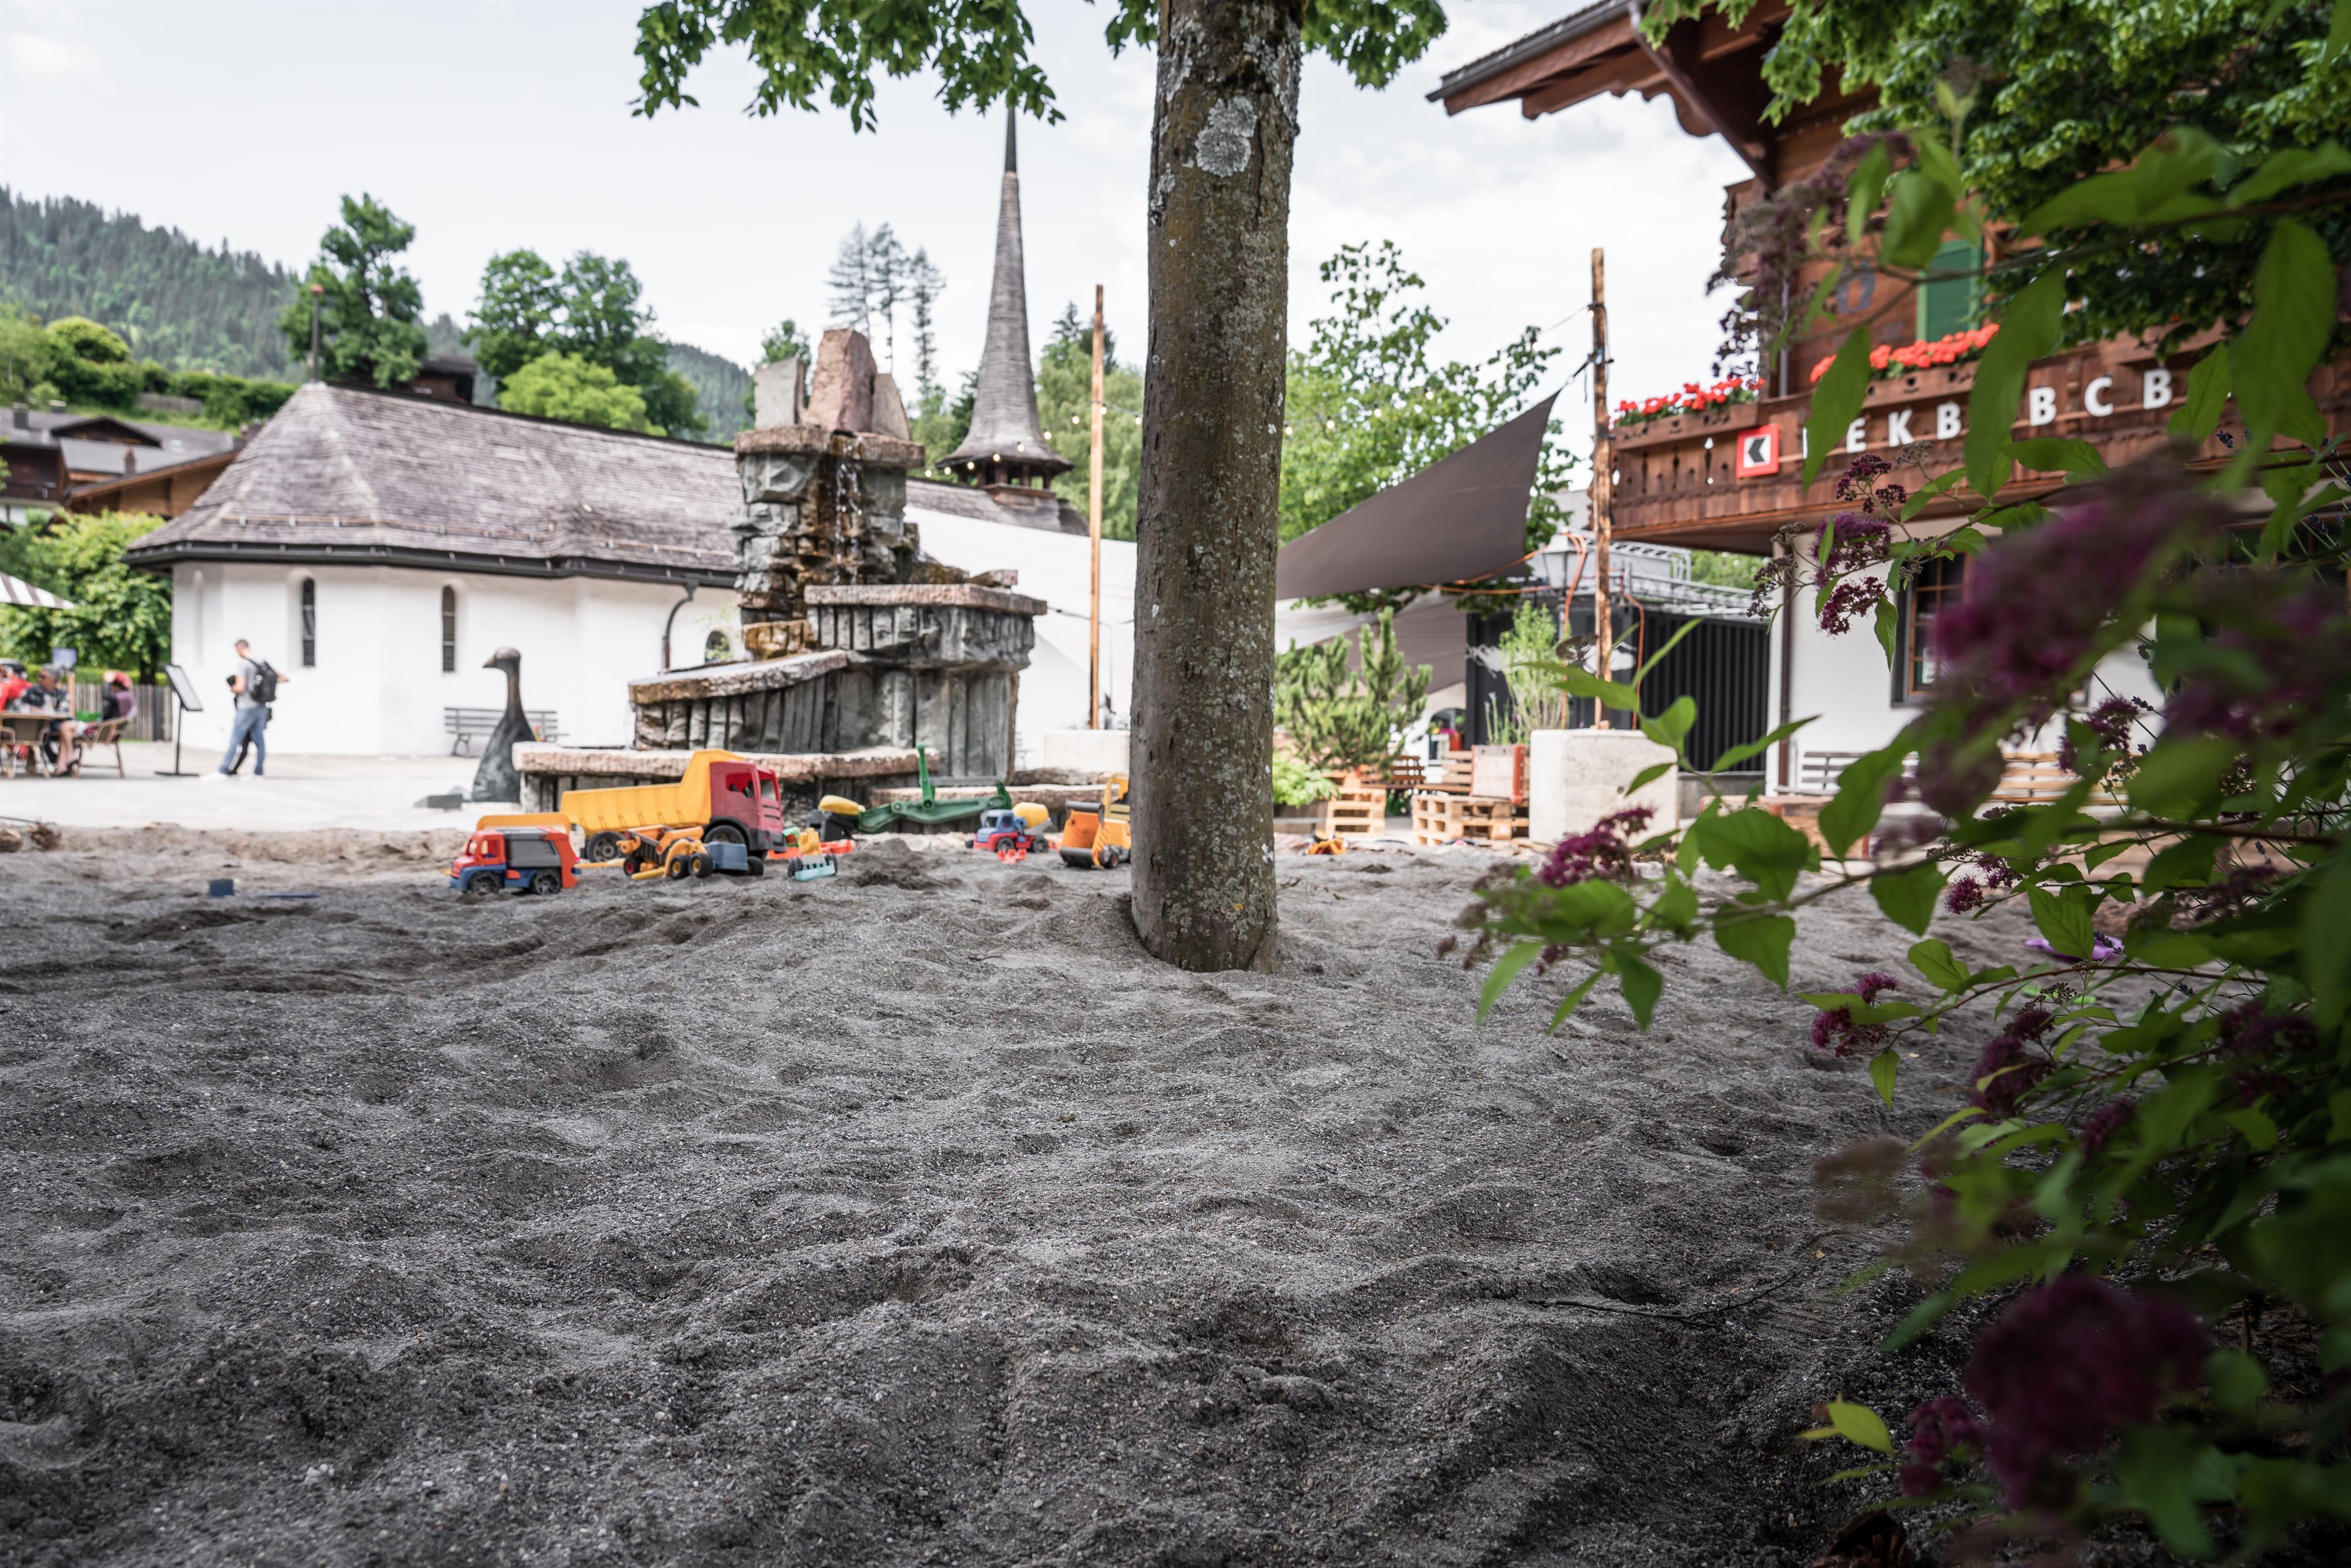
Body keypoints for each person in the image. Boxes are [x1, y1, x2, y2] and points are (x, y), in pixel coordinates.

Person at [216, 639, 288, 779]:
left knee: (235, 739)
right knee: (260, 741)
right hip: (261, 707)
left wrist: (233, 688)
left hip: (246, 707)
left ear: (239, 648)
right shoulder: (262, 662)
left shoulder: (244, 664)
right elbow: (283, 678)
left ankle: (223, 771)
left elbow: (240, 688)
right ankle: (258, 772)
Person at [22, 666, 81, 775]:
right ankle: (67, 760)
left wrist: (37, 710)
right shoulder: (31, 692)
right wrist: (40, 711)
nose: (39, 679)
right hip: (33, 727)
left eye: (43, 677)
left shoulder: (62, 695)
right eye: (39, 676)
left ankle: (62, 765)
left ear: (53, 680)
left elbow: (63, 713)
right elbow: (18, 707)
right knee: (65, 729)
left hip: (55, 726)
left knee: (66, 727)